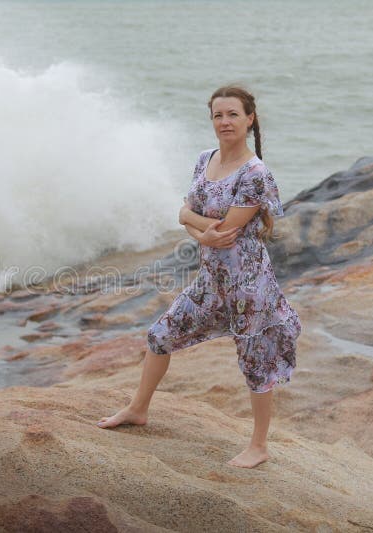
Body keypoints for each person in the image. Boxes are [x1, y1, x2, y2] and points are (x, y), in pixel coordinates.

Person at [96, 85, 301, 469]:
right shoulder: (204, 159)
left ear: (249, 119)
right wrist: (197, 229)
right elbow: (196, 221)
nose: (225, 122)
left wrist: (191, 222)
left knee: (256, 362)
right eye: (218, 115)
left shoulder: (255, 174)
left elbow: (225, 229)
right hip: (210, 281)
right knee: (160, 335)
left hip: (249, 286)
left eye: (233, 115)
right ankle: (138, 409)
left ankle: (259, 446)